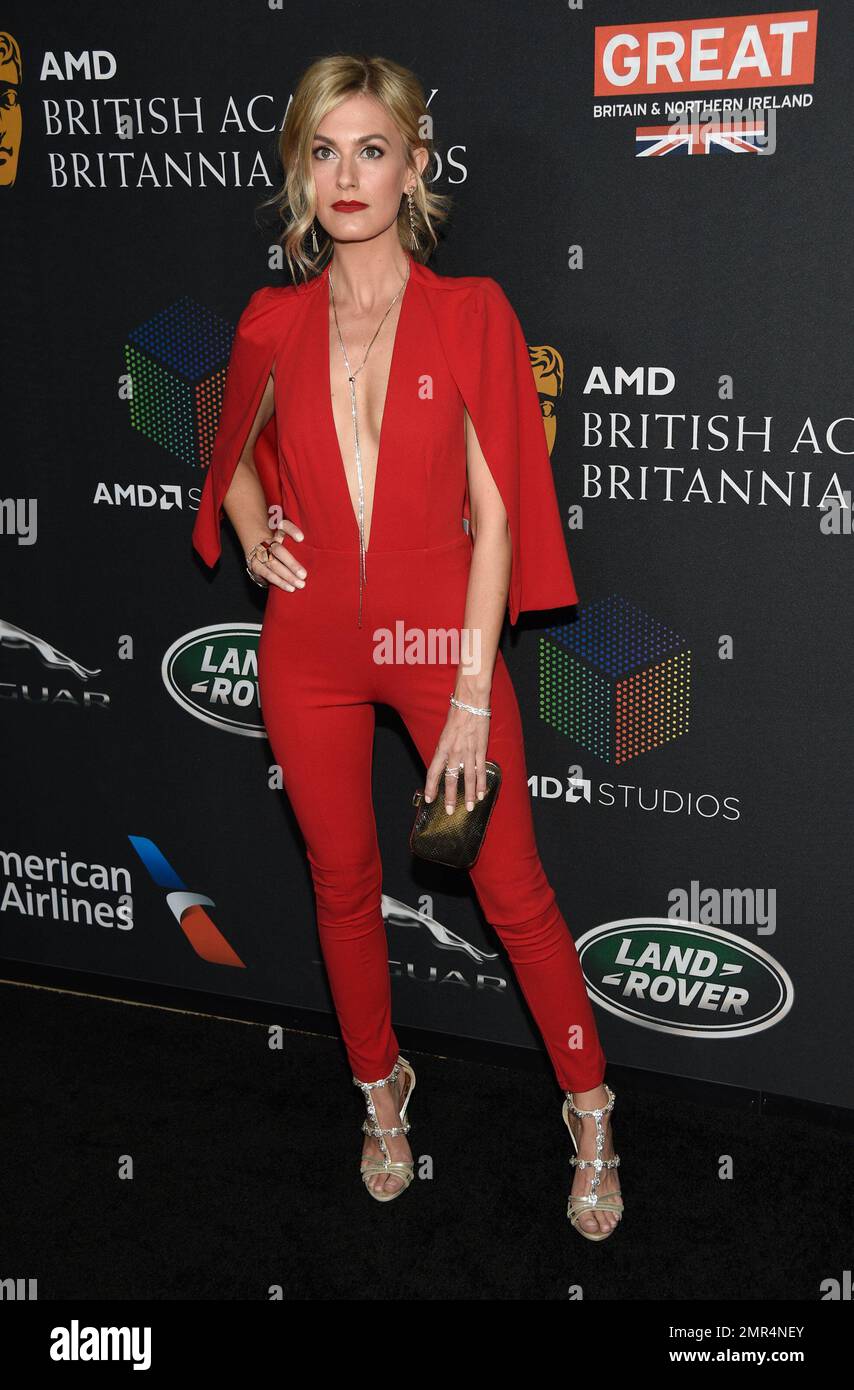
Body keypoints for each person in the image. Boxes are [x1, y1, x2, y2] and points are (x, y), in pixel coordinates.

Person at [192, 53, 623, 1239]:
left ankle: (588, 1106)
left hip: (445, 643)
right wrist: (252, 535)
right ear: (297, 170)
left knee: (512, 887)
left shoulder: (469, 309)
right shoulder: (273, 320)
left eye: (369, 148)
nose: (345, 174)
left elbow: (498, 519)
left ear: (412, 167)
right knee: (343, 886)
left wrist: (475, 692)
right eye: (321, 151)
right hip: (311, 643)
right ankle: (382, 1097)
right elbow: (225, 452)